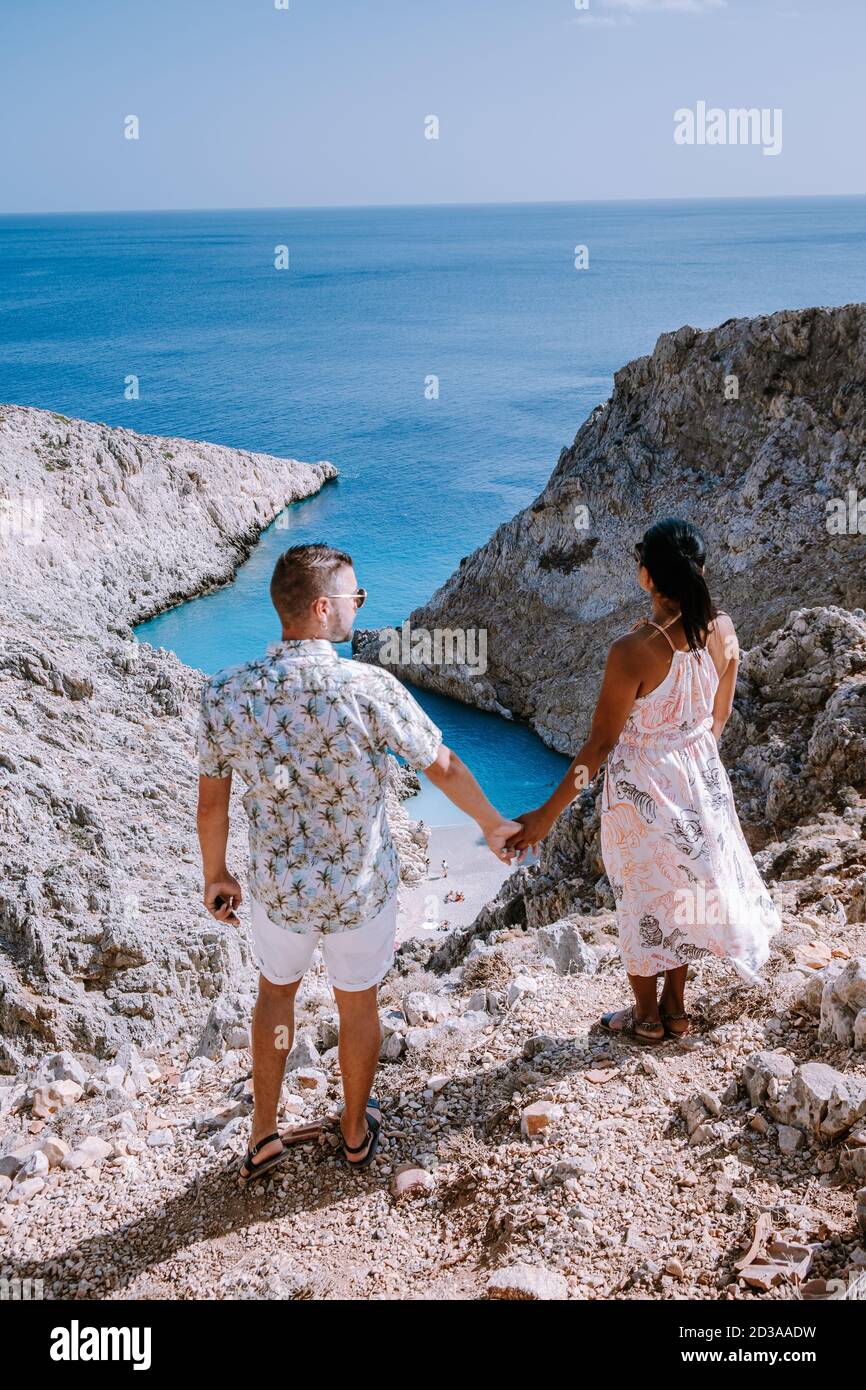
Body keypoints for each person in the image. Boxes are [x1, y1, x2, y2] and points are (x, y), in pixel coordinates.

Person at [196, 543, 520, 1180]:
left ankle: (264, 1132)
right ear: (323, 608)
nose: (361, 605)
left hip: (280, 895)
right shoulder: (370, 688)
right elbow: (443, 764)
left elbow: (213, 808)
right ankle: (351, 1130)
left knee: (276, 1000)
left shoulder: (226, 694)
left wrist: (216, 874)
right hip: (358, 891)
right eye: (355, 597)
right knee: (357, 1007)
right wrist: (491, 825)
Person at [507, 517, 780, 1045]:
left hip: (642, 790)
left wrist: (545, 815)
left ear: (644, 577)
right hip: (702, 780)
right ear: (699, 571)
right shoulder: (722, 630)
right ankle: (676, 1008)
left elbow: (599, 748)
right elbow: (717, 716)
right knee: (683, 895)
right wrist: (693, 764)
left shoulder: (632, 651)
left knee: (642, 900)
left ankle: (646, 1017)